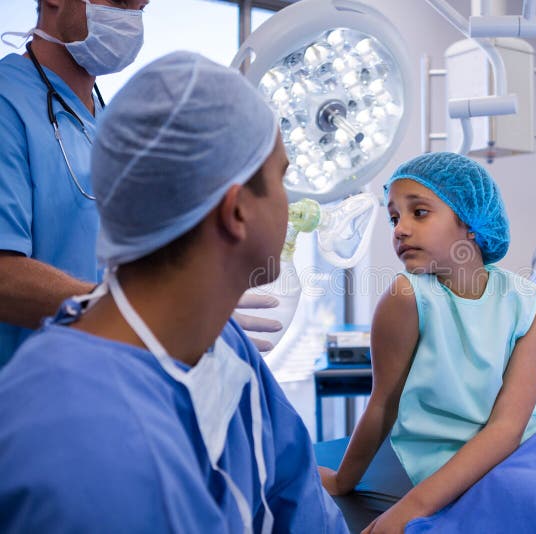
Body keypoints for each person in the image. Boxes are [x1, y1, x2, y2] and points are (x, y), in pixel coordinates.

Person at [0, 51, 347, 533]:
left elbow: (300, 503)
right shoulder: (85, 448)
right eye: (280, 179)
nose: (291, 205)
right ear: (237, 212)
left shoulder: (223, 344)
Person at [319, 152, 536, 532]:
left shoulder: (531, 305)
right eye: (394, 218)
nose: (400, 229)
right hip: (448, 470)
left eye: (419, 212)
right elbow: (383, 403)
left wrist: (405, 510)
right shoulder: (408, 298)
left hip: (532, 450)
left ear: (470, 221)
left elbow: (508, 428)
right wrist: (342, 482)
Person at [0, 0, 149, 367]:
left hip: (107, 377)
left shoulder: (110, 126)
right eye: (119, 2)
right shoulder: (7, 103)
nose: (130, 21)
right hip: (27, 387)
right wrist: (133, 312)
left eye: (140, 8)